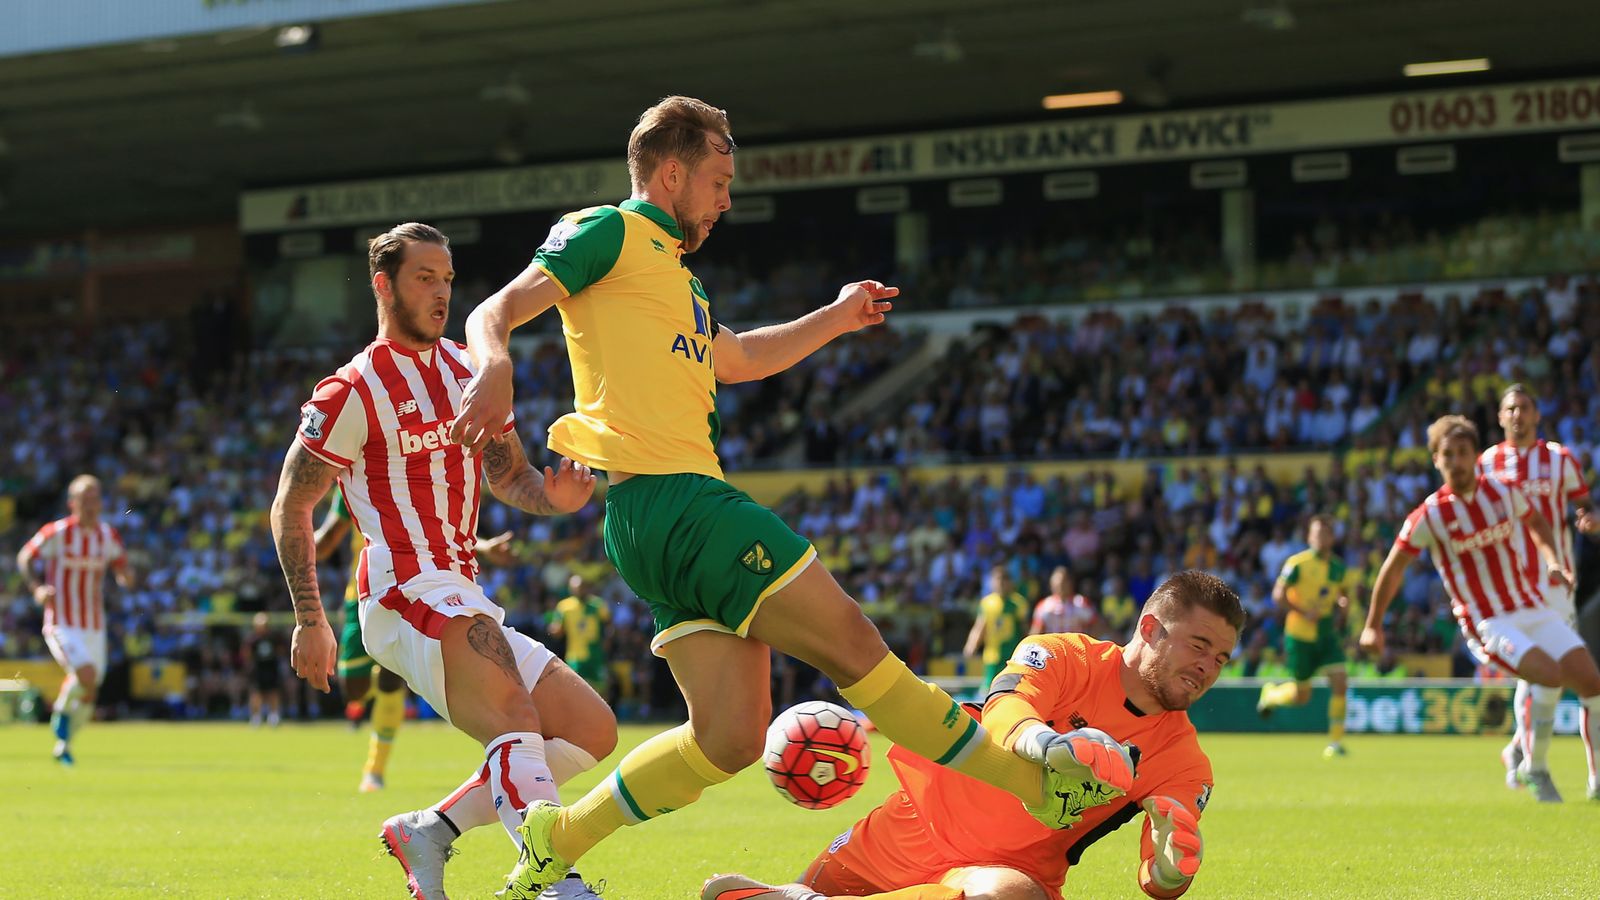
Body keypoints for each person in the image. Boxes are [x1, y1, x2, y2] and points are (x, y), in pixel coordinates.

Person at [450, 96, 1120, 894]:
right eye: (719, 181)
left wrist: (835, 317)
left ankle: (555, 838)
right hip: (683, 503)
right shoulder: (608, 231)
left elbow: (736, 358)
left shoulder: (678, 279)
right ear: (672, 173)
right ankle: (1035, 786)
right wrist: (495, 364)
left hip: (644, 522)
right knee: (854, 644)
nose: (727, 200)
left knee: (730, 738)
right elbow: (494, 311)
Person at [270, 222, 616, 899]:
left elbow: (509, 475)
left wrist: (552, 497)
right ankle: (560, 886)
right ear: (383, 285)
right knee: (513, 716)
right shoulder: (352, 390)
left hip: (460, 589)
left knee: (590, 730)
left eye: (448, 280)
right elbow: (292, 505)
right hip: (401, 590)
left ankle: (431, 831)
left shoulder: (469, 370)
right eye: (424, 278)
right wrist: (309, 618)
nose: (441, 293)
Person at [701, 570, 1241, 900]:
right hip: (911, 825)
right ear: (1149, 628)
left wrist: (1169, 871)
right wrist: (1047, 745)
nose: (1208, 667)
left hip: (1007, 874)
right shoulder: (1064, 654)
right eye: (1198, 645)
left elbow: (1158, 879)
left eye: (1221, 658)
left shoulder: (1186, 763)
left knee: (1012, 897)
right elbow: (1007, 706)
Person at [1363, 414, 1600, 803]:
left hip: (1533, 606)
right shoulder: (1430, 515)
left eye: (1462, 452)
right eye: (1447, 455)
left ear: (1476, 455)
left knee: (1591, 682)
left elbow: (1538, 522)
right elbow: (1393, 569)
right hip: (1489, 622)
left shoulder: (1504, 491)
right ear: (1435, 460)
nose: (1456, 461)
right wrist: (1373, 624)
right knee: (1549, 675)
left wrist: (1552, 560)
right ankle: (1535, 769)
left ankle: (1594, 781)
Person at [314, 490, 521, 792]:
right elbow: (326, 541)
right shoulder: (350, 482)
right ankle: (374, 688)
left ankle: (374, 770)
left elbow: (439, 531)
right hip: (363, 593)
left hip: (411, 588)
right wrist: (294, 538)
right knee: (354, 688)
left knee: (391, 680)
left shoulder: (407, 480)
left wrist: (484, 546)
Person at [1478, 385, 1600, 789]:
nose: (1517, 414)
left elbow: (1584, 506)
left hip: (1555, 581)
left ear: (1536, 415)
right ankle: (1529, 759)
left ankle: (1519, 748)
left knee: (1560, 671)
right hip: (1508, 586)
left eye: (1524, 407)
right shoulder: (1487, 463)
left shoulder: (1560, 459)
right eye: (1510, 408)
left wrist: (1590, 520)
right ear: (1500, 417)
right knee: (1534, 673)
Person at [16, 474, 133, 765]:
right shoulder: (57, 532)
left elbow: (121, 566)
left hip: (94, 625)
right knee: (86, 676)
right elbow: (25, 557)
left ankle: (64, 744)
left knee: (90, 690)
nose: (91, 505)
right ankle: (60, 712)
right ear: (73, 503)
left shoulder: (107, 536)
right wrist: (37, 588)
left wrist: (125, 577)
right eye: (85, 500)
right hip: (61, 621)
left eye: (95, 499)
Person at [1255, 514, 1354, 757]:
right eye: (1317, 533)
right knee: (1302, 696)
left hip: (1326, 633)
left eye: (1326, 534)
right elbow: (1278, 595)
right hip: (1299, 635)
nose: (1321, 538)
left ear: (1332, 538)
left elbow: (1341, 593)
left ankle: (1336, 744)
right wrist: (1302, 612)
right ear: (1309, 536)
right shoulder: (1297, 564)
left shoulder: (1338, 567)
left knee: (1340, 683)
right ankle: (1271, 695)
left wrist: (1342, 603)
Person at [964, 565, 1032, 688]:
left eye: (1004, 579)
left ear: (1010, 582)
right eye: (997, 579)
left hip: (1013, 657)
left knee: (1012, 689)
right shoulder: (987, 603)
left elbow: (1025, 629)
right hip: (992, 656)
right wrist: (971, 645)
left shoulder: (1018, 603)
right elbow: (980, 627)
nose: (1001, 583)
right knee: (989, 688)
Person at [548, 575, 611, 697]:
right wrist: (553, 629)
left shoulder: (597, 604)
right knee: (576, 688)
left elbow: (609, 624)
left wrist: (608, 640)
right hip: (575, 655)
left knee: (601, 687)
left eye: (582, 588)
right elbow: (558, 631)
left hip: (595, 652)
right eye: (576, 588)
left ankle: (605, 709)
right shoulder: (564, 607)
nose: (580, 591)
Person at [1030, 566, 1102, 638]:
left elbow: (1098, 625)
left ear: (1071, 583)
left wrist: (1088, 642)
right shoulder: (1044, 606)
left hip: (1075, 644)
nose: (1061, 586)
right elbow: (1035, 633)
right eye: (1058, 584)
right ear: (1051, 584)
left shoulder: (1081, 603)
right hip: (1053, 644)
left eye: (1063, 583)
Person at [246, 612, 285, 727]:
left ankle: (274, 715)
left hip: (271, 668)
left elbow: (280, 651)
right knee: (256, 693)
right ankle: (256, 716)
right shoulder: (252, 640)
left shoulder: (273, 638)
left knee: (273, 692)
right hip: (258, 669)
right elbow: (247, 654)